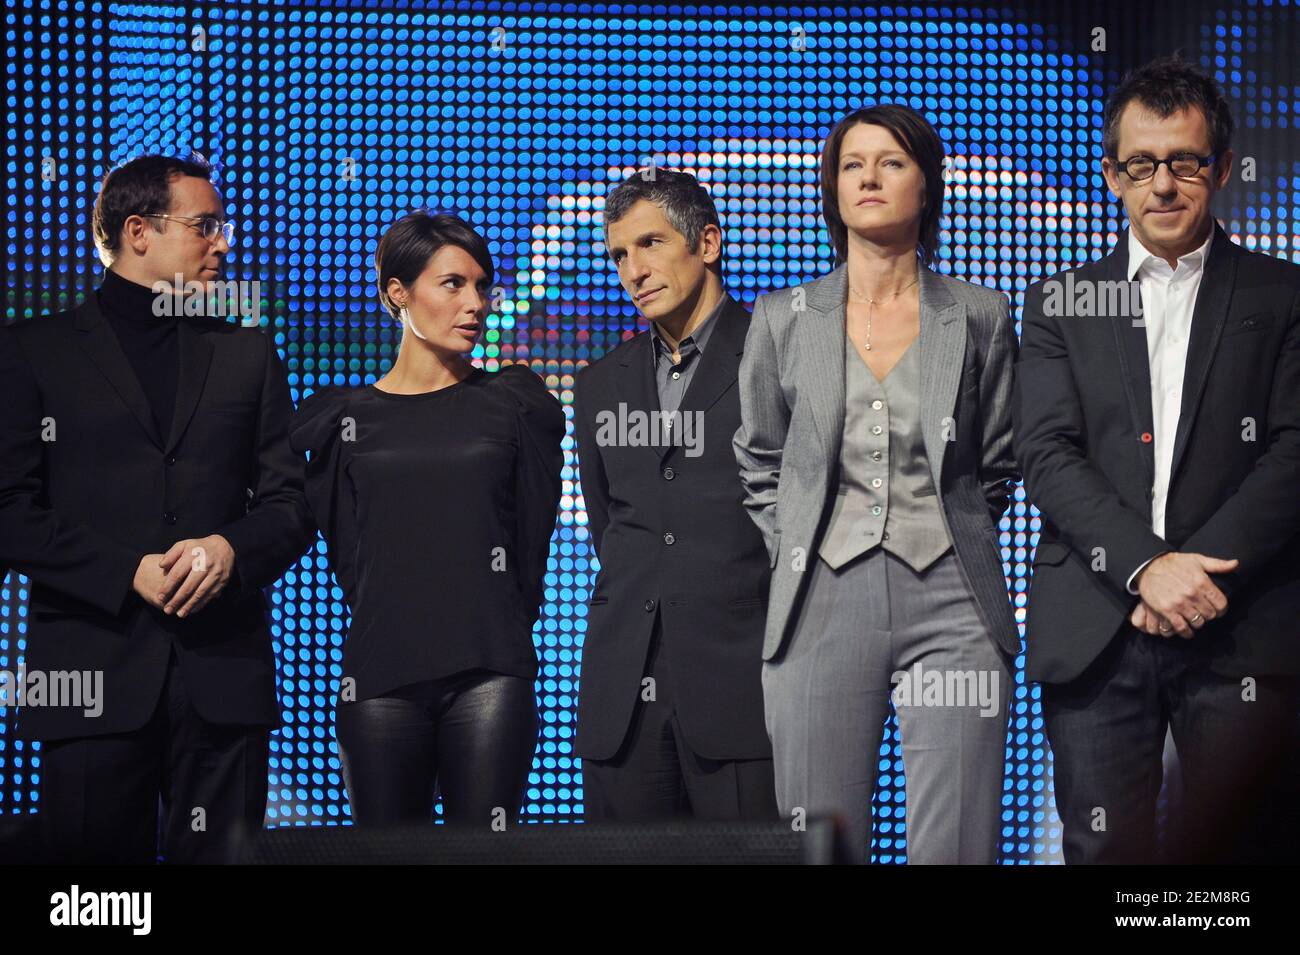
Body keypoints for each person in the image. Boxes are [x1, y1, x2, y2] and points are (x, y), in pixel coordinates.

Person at [1015, 54, 1300, 864]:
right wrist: (1148, 568)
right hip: (1100, 622)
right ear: (1112, 176)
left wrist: (1198, 578)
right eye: (1141, 165)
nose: (1163, 185)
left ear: (1223, 169)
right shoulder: (1060, 300)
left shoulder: (1283, 295)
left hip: (1241, 623)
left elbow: (1293, 449)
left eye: (1184, 162)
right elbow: (1046, 451)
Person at [0, 154, 315, 863]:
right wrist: (126, 571)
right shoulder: (34, 352)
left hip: (223, 682)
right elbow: (10, 511)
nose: (223, 242)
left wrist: (231, 551)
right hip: (90, 683)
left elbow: (291, 502)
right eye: (205, 225)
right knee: (96, 907)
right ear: (138, 231)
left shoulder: (248, 354)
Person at [734, 105, 1019, 864]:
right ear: (832, 188)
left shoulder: (982, 314)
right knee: (820, 842)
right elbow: (760, 458)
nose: (868, 177)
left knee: (957, 842)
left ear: (927, 187)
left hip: (955, 598)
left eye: (891, 162)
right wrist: (800, 541)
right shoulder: (783, 318)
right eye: (851, 163)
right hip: (821, 599)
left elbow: (996, 460)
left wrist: (948, 530)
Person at [290, 211, 563, 829]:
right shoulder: (346, 419)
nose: (476, 304)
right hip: (381, 677)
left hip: (490, 672)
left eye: (481, 286)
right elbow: (348, 553)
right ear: (398, 293)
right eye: (453, 284)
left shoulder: (514, 404)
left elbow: (530, 538)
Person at [572, 169, 777, 821]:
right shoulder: (600, 383)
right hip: (623, 703)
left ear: (708, 242)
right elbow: (613, 524)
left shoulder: (779, 358)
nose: (633, 270)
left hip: (745, 692)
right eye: (619, 254)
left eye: (651, 243)